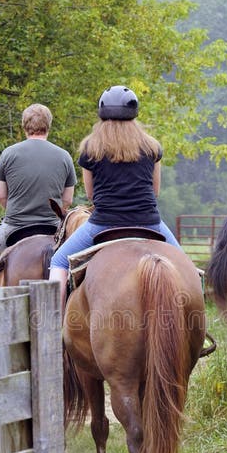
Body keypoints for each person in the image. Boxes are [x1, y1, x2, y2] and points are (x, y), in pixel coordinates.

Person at [48, 85, 180, 311]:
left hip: (103, 224)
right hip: (149, 222)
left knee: (58, 262)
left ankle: (52, 328)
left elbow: (91, 195)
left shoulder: (90, 148)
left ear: (102, 114)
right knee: (187, 268)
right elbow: (155, 192)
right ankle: (197, 331)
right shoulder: (152, 147)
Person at [0, 103, 77, 292]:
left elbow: (0, 196)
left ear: (24, 126)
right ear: (49, 125)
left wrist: (18, 209)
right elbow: (68, 200)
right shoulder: (64, 157)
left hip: (15, 225)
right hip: (53, 227)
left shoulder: (9, 154)